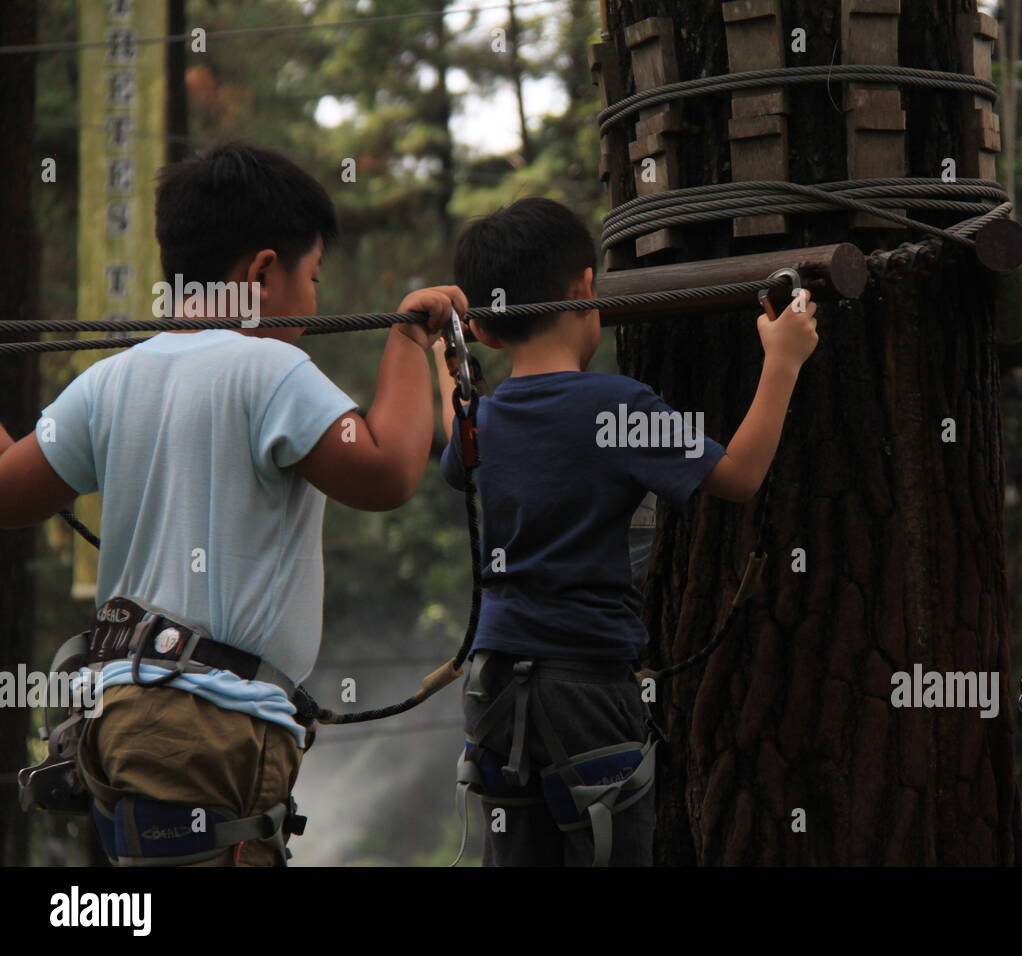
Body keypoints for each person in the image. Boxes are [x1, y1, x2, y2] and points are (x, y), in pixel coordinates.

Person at [0, 142, 466, 866]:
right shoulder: (271, 367)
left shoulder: (108, 382)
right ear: (262, 273)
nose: (313, 308)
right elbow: (386, 472)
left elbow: (6, 489)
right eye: (312, 278)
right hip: (209, 728)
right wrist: (409, 337)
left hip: (123, 719)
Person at [436, 197, 818, 866]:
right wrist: (782, 359)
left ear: (487, 334)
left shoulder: (484, 421)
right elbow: (741, 473)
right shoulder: (616, 407)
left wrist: (443, 348)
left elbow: (456, 442)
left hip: (491, 689)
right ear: (587, 288)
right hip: (586, 686)